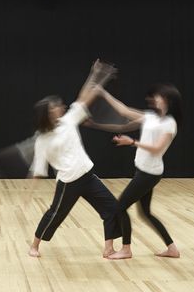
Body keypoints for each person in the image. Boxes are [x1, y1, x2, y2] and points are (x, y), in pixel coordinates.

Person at [28, 61, 126, 259]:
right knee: (55, 215)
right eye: (56, 107)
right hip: (69, 182)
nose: (61, 107)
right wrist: (29, 191)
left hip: (88, 177)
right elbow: (39, 168)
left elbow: (83, 99)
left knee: (112, 208)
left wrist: (95, 74)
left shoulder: (69, 120)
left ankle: (108, 248)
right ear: (48, 113)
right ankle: (34, 245)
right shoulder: (43, 139)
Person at [86, 84, 181, 260]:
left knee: (119, 207)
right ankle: (172, 249)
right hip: (143, 171)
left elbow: (157, 148)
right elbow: (124, 111)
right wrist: (103, 92)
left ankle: (126, 249)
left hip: (149, 174)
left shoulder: (170, 124)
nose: (156, 98)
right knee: (145, 213)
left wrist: (132, 143)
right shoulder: (151, 117)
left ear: (167, 101)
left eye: (159, 96)